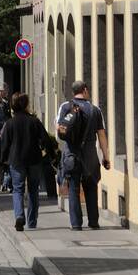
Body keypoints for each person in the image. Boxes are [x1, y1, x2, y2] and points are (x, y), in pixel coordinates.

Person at [56, 80, 110, 231]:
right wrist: (106, 157)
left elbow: (59, 130)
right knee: (91, 186)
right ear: (85, 90)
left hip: (71, 154)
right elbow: (102, 135)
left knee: (73, 187)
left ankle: (76, 223)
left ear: (73, 92)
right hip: (90, 155)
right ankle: (93, 221)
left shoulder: (65, 107)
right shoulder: (95, 110)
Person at [0, 93, 51, 232]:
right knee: (34, 190)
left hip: (16, 160)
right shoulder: (34, 121)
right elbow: (46, 139)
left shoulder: (10, 123)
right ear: (26, 105)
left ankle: (19, 216)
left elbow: (5, 144)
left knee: (18, 189)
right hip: (34, 159)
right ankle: (32, 221)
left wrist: (3, 158)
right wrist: (47, 153)